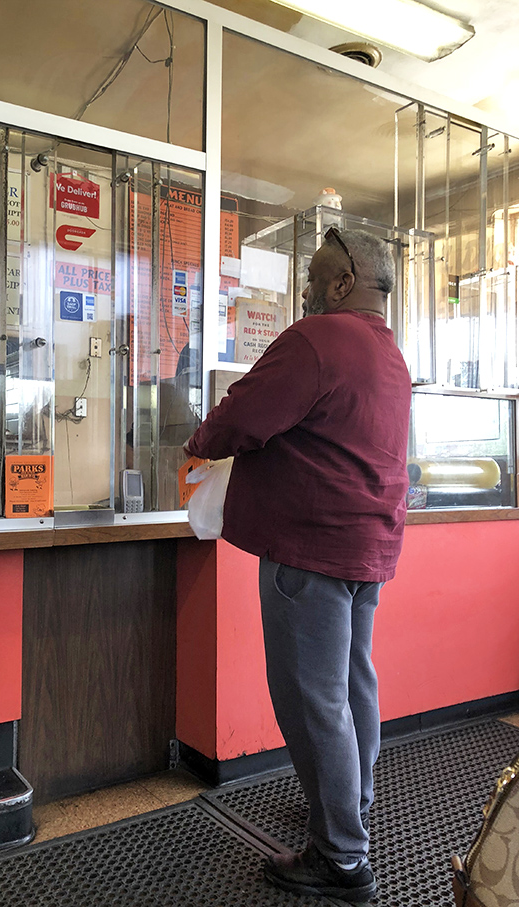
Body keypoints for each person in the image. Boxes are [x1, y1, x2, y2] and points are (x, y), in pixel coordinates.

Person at [184, 228, 412, 903]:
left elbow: (244, 417)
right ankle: (351, 805)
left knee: (312, 698)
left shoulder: (317, 339)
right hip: (366, 548)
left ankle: (341, 857)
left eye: (314, 277)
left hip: (309, 547)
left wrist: (198, 441)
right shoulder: (390, 354)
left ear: (343, 282)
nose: (305, 290)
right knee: (352, 683)